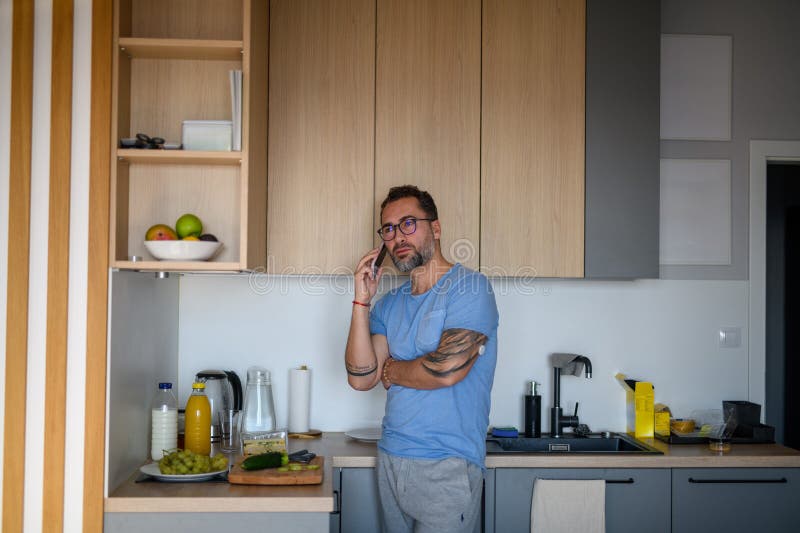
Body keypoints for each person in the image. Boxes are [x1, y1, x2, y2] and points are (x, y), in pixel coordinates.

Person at [344, 185, 499, 533]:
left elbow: (446, 368)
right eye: (389, 228)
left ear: (436, 228)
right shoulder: (388, 304)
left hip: (447, 464)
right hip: (391, 458)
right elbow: (361, 377)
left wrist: (394, 370)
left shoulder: (470, 288)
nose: (398, 235)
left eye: (409, 223)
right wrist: (361, 301)